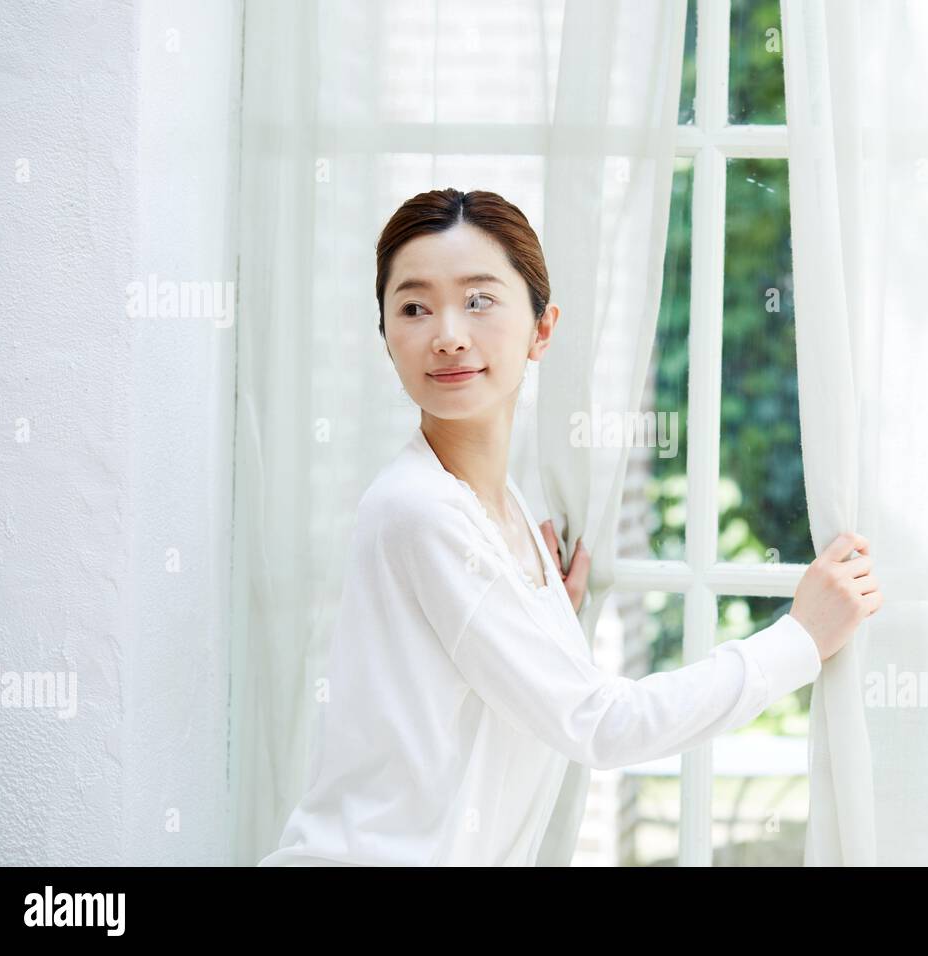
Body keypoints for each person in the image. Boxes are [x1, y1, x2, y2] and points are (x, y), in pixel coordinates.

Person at [257, 188, 883, 866]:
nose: (448, 334)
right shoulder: (419, 509)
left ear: (542, 329)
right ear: (386, 336)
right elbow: (602, 725)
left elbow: (478, 680)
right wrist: (799, 639)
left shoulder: (505, 510)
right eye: (413, 307)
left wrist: (549, 609)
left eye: (479, 300)